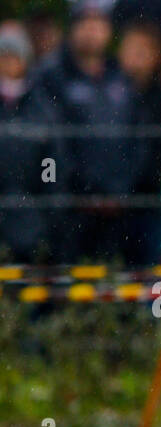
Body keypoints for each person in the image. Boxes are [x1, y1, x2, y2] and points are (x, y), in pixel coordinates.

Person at [33, 0, 140, 262]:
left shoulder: (120, 77)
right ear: (73, 28)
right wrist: (82, 190)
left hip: (117, 208)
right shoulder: (51, 75)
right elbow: (52, 143)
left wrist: (120, 189)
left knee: (111, 287)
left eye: (99, 23)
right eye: (85, 22)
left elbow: (138, 138)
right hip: (71, 208)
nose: (92, 30)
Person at [0, 24, 60, 262]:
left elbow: (52, 161)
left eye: (13, 56)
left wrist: (46, 201)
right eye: (3, 57)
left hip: (31, 213)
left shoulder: (41, 106)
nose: (7, 63)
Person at [117, 20, 161, 265]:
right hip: (113, 200)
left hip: (150, 199)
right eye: (131, 50)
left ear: (156, 57)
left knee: (147, 268)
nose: (136, 59)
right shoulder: (109, 91)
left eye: (143, 51)